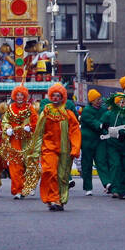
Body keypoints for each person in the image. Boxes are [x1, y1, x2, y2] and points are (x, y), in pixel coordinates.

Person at [35, 83, 81, 211]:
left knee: (62, 176)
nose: (55, 98)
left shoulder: (68, 114)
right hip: (48, 148)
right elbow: (39, 132)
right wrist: (35, 150)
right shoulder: (45, 113)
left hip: (64, 150)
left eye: (58, 95)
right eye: (53, 95)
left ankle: (59, 200)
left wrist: (75, 148)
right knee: (50, 172)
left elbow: (75, 131)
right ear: (50, 97)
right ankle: (53, 198)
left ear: (62, 98)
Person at [1, 84, 39, 198]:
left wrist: (30, 127)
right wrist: (7, 128)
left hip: (27, 140)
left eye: (21, 95)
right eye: (17, 95)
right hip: (14, 139)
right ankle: (17, 190)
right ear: (14, 96)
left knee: (30, 164)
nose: (19, 97)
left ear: (25, 96)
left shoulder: (30, 108)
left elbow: (36, 121)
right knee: (15, 165)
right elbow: (5, 121)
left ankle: (30, 186)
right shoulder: (10, 108)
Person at [78, 88, 108, 195]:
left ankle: (107, 183)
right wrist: (101, 125)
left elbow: (108, 118)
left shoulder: (104, 110)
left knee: (101, 161)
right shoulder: (86, 110)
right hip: (87, 142)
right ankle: (88, 187)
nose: (99, 100)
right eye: (97, 99)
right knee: (87, 164)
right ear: (92, 101)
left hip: (100, 140)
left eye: (100, 98)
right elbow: (92, 122)